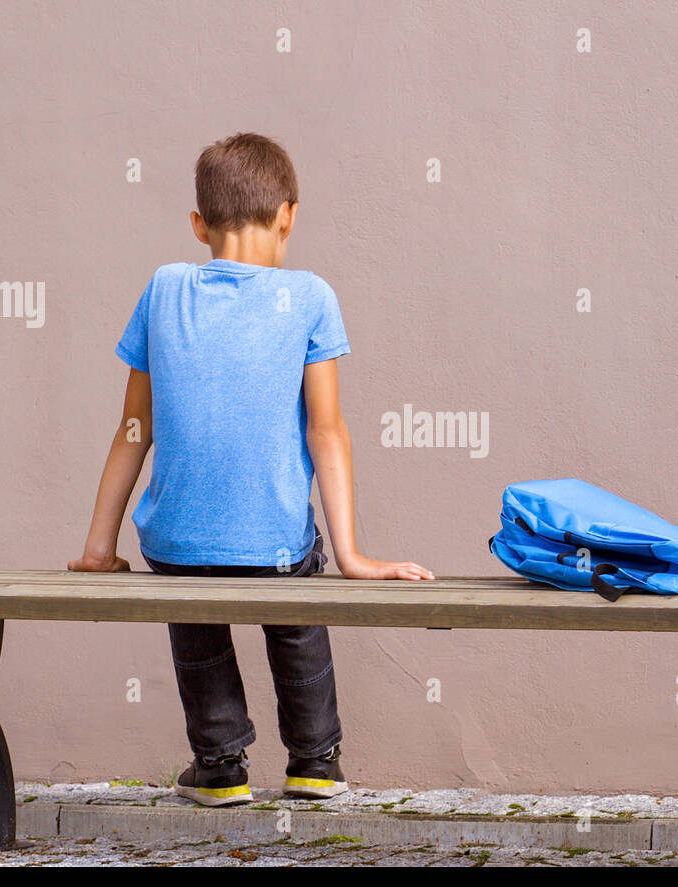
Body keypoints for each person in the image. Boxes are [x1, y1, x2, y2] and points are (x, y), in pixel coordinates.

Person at [69, 132, 434, 806]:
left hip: (174, 545)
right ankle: (315, 760)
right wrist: (353, 556)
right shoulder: (311, 296)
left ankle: (218, 764)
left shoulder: (164, 287)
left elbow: (133, 429)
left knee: (191, 599)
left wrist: (99, 547)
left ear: (199, 225)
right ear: (289, 214)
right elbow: (328, 433)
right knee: (296, 607)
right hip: (274, 547)